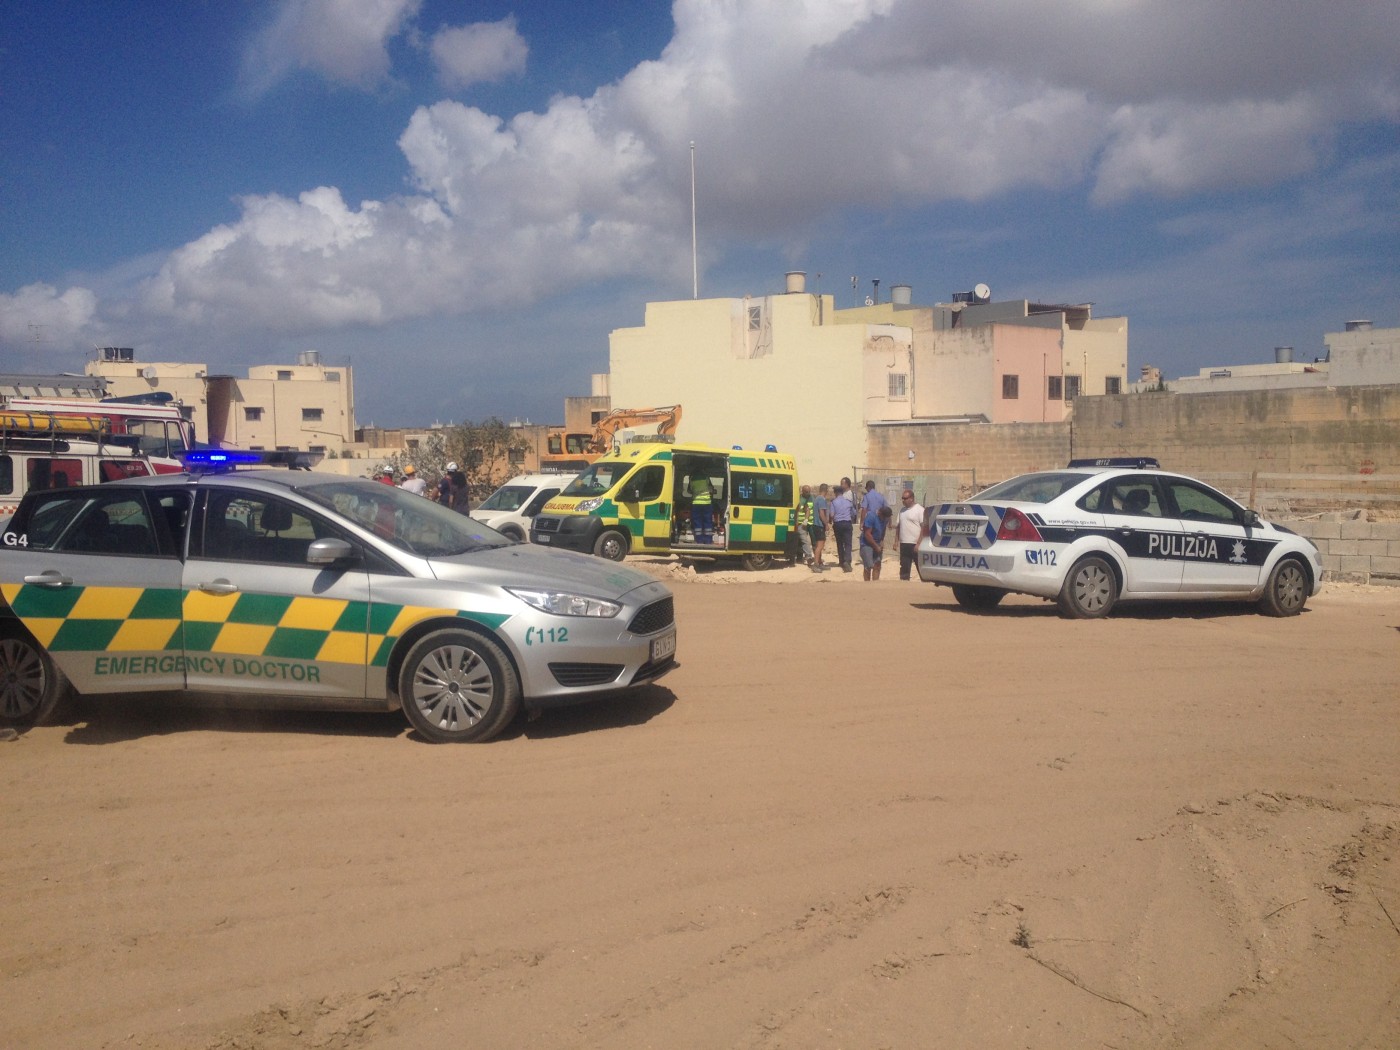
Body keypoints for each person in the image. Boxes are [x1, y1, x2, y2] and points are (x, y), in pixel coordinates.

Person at [896, 489, 924, 581]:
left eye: (905, 498)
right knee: (904, 568)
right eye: (902, 498)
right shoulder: (902, 511)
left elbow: (924, 528)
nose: (903, 500)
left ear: (911, 498)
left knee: (920, 567)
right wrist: (896, 541)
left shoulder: (919, 510)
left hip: (915, 544)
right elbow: (898, 527)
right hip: (904, 544)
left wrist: (919, 543)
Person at [860, 504, 893, 581]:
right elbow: (867, 534)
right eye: (884, 517)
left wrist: (881, 541)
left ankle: (875, 584)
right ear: (880, 514)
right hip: (867, 543)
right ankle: (867, 584)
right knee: (868, 566)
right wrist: (875, 546)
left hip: (877, 542)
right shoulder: (871, 517)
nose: (885, 519)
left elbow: (883, 529)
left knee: (877, 564)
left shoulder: (885, 519)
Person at [829, 482, 855, 572]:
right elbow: (853, 513)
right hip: (847, 523)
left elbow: (832, 515)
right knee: (848, 544)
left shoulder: (833, 502)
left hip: (838, 524)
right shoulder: (848, 502)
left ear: (835, 493)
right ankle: (847, 561)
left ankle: (841, 561)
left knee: (840, 543)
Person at [689, 471, 714, 544]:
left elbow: (690, 490)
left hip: (696, 503)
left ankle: (699, 540)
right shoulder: (706, 477)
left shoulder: (692, 478)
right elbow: (711, 488)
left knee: (697, 522)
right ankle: (708, 540)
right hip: (707, 503)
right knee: (708, 521)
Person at [795, 484, 815, 568]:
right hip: (799, 523)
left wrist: (806, 520)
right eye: (806, 492)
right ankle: (800, 557)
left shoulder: (811, 498)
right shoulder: (799, 499)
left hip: (807, 523)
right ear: (802, 491)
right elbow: (796, 511)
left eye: (809, 491)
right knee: (800, 541)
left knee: (804, 540)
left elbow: (808, 510)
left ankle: (809, 556)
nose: (808, 493)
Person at [811, 483, 830, 569]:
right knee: (820, 546)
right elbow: (821, 513)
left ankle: (819, 563)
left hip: (815, 525)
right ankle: (816, 564)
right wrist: (826, 524)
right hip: (819, 525)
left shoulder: (816, 499)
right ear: (826, 491)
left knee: (818, 545)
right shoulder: (822, 500)